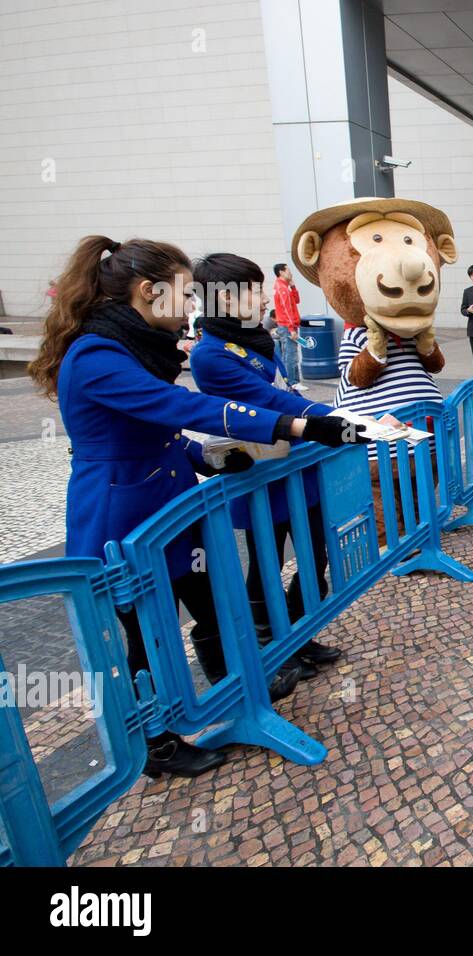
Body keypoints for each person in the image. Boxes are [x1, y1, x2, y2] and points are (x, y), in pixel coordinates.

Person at [27, 236, 363, 778]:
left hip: (167, 503)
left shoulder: (131, 347)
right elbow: (176, 406)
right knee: (135, 635)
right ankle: (153, 744)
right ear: (147, 292)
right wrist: (295, 425)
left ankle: (233, 697)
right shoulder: (95, 355)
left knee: (209, 607)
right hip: (120, 515)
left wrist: (203, 455)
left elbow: (155, 429)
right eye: (184, 295)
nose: (190, 308)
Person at [189, 252, 346, 680]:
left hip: (294, 466)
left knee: (315, 554)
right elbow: (270, 401)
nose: (262, 299)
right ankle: (271, 645)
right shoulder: (211, 354)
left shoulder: (255, 338)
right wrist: (324, 415)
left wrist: (321, 411)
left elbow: (283, 387)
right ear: (222, 297)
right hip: (260, 473)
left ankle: (300, 632)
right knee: (267, 563)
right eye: (253, 290)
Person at [272, 263, 305, 392]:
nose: (290, 273)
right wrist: (291, 328)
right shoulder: (282, 288)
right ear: (281, 272)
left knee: (288, 354)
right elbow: (287, 309)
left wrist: (293, 285)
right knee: (291, 354)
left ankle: (291, 381)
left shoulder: (284, 287)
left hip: (286, 325)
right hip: (287, 325)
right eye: (288, 270)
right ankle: (293, 382)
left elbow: (296, 301)